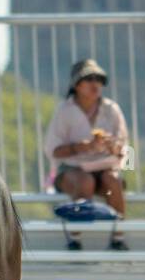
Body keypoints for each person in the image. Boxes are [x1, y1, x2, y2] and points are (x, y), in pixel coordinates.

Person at [43, 57, 129, 249]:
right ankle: (75, 238)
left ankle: (118, 238)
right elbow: (52, 150)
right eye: (89, 79)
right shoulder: (65, 111)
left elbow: (125, 150)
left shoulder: (112, 110)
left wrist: (113, 147)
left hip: (104, 170)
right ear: (77, 85)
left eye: (99, 79)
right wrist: (80, 147)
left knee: (113, 181)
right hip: (70, 171)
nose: (95, 84)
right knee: (84, 181)